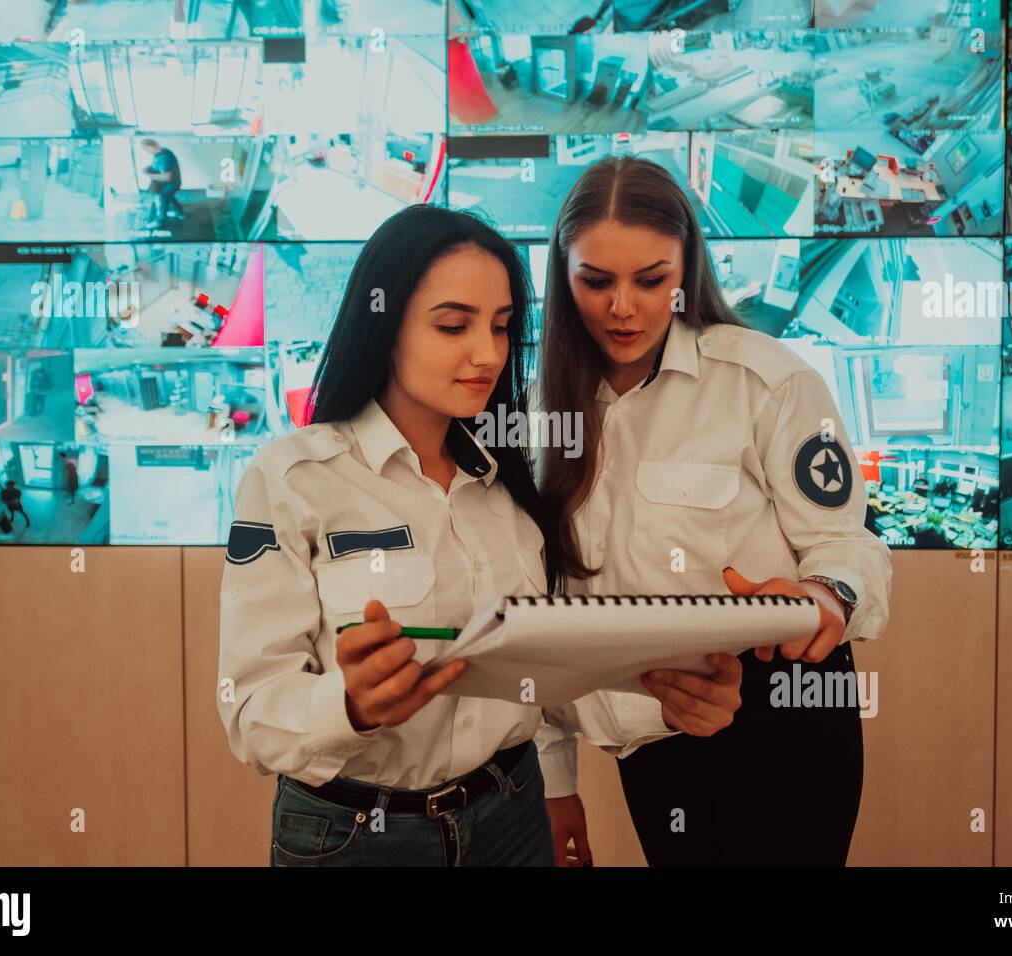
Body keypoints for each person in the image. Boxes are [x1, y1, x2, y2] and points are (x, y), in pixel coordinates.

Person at [217, 204, 743, 867]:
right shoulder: (294, 479)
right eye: (452, 325)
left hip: (510, 815)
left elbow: (543, 684)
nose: (488, 354)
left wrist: (670, 703)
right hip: (356, 837)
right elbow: (251, 713)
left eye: (501, 327)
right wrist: (347, 704)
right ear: (383, 326)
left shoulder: (510, 487)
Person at [531, 156, 893, 866]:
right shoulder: (541, 416)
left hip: (779, 715)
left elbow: (847, 545)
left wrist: (823, 596)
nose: (623, 307)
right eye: (596, 281)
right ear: (561, 274)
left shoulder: (766, 381)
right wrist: (554, 777)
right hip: (648, 735)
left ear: (688, 269)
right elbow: (541, 609)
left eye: (651, 279)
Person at [140, 140, 185, 228]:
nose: (147, 151)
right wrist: (149, 168)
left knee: (162, 197)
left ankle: (160, 221)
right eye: (145, 150)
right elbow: (156, 166)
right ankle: (180, 213)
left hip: (171, 184)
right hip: (169, 183)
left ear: (155, 145)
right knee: (169, 197)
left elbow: (167, 177)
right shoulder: (161, 153)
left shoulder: (164, 157)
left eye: (148, 149)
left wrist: (149, 175)